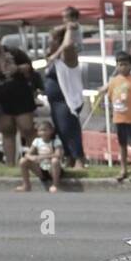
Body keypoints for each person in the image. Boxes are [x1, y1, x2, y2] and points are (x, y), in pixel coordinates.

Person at [0, 32, 38, 162]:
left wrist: (17, 68)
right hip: (0, 100)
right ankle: (10, 164)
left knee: (27, 128)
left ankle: (36, 161)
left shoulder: (14, 53)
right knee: (7, 130)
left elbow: (30, 67)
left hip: (20, 96)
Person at [44, 9, 85, 166]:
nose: (49, 43)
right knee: (61, 129)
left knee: (70, 128)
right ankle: (70, 157)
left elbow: (67, 44)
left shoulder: (67, 56)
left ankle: (79, 158)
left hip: (67, 100)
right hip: (55, 102)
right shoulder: (53, 59)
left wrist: (67, 29)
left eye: (52, 40)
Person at [104, 52, 131, 183]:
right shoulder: (113, 81)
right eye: (120, 64)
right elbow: (110, 97)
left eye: (125, 64)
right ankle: (123, 169)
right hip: (118, 118)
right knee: (122, 144)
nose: (123, 67)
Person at [16, 119, 63, 193]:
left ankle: (55, 185)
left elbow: (58, 154)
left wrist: (42, 157)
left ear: (51, 131)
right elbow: (27, 154)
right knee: (23, 161)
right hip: (41, 169)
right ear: (37, 132)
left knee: (55, 160)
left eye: (45, 130)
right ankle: (26, 185)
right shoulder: (37, 141)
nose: (43, 133)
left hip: (52, 169)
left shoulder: (55, 141)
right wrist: (32, 158)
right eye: (41, 130)